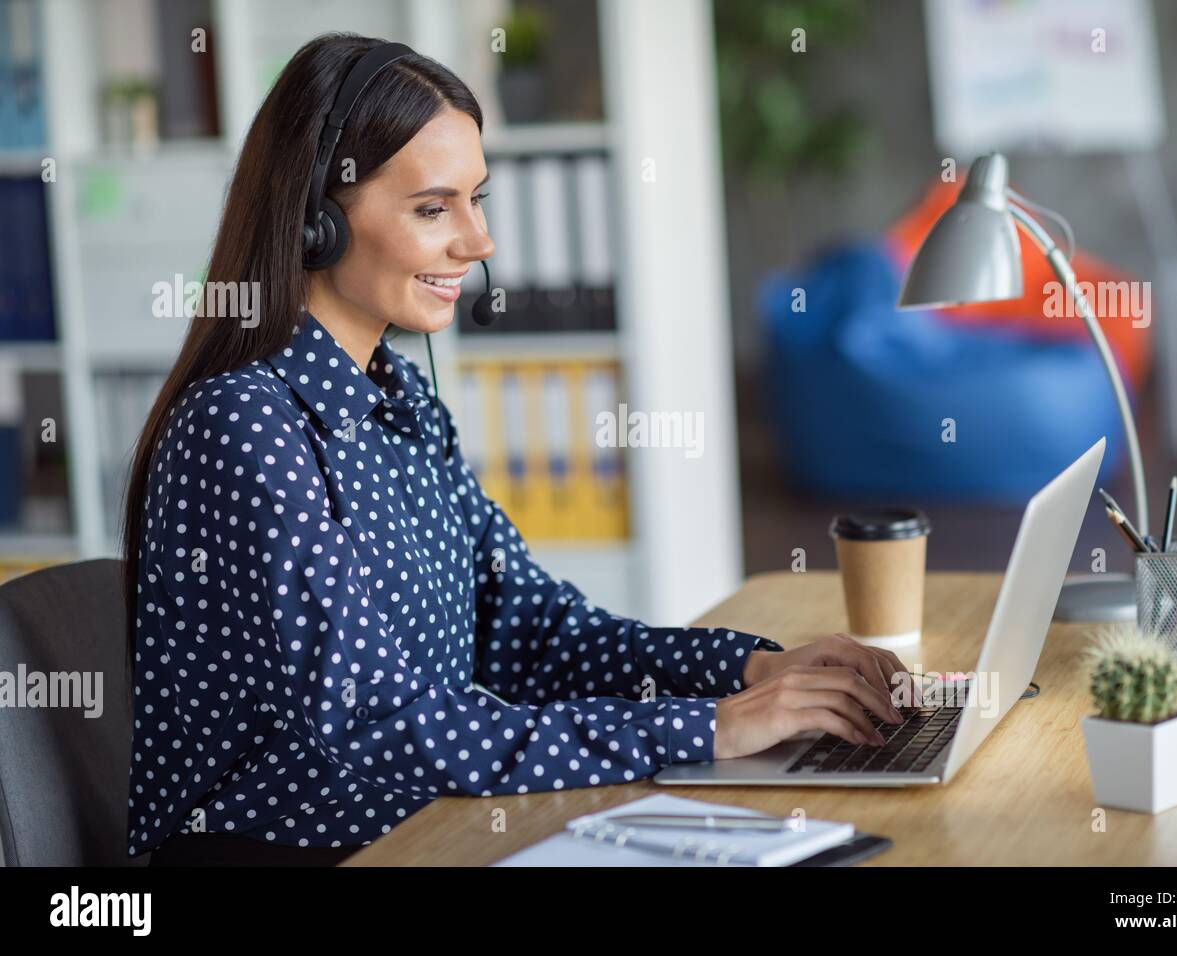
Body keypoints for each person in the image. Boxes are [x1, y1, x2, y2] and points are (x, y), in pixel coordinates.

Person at [123, 33, 909, 866]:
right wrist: (709, 727)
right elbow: (379, 731)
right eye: (433, 208)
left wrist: (750, 670)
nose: (479, 241)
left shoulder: (400, 400)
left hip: (420, 826)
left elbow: (534, 633)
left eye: (477, 198)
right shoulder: (244, 424)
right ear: (317, 220)